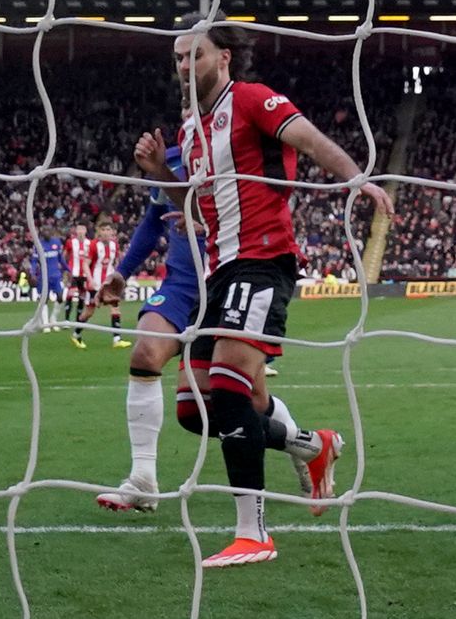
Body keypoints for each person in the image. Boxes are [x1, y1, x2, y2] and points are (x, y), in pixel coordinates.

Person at [134, 15, 390, 567]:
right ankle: (312, 445)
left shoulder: (251, 99)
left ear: (223, 57)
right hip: (216, 273)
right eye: (177, 58)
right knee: (192, 408)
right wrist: (161, 172)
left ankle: (253, 533)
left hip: (261, 261)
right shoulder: (191, 133)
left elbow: (309, 137)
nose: (184, 67)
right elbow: (193, 212)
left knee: (226, 389)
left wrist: (356, 177)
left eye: (194, 55)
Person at [95, 140, 331, 517]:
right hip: (182, 283)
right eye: (183, 99)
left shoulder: (235, 150)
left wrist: (209, 222)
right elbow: (152, 220)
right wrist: (122, 272)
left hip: (231, 281)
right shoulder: (169, 158)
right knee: (145, 354)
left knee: (247, 400)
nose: (189, 106)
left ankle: (304, 447)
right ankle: (143, 480)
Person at [72, 222, 130, 349]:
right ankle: (76, 334)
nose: (105, 232)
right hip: (95, 284)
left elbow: (115, 262)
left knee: (115, 308)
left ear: (112, 232)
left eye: (108, 229)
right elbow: (85, 264)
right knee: (88, 312)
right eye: (103, 229)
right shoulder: (94, 245)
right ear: (99, 232)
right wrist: (90, 279)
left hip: (108, 284)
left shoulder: (114, 245)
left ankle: (117, 339)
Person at [27, 226, 67, 330]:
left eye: (48, 230)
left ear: (52, 232)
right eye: (44, 230)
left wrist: (68, 269)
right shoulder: (38, 244)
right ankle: (45, 324)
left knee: (60, 296)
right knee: (44, 299)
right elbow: (34, 261)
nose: (46, 232)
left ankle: (53, 319)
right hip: (43, 277)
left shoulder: (56, 242)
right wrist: (33, 273)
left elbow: (61, 259)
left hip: (56, 275)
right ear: (41, 233)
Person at [63, 222, 93, 348]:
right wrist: (66, 270)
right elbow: (64, 255)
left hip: (84, 275)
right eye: (78, 230)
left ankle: (77, 320)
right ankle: (66, 320)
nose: (80, 232)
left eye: (82, 230)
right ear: (76, 231)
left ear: (85, 231)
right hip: (73, 273)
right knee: (70, 295)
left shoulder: (90, 243)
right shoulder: (71, 242)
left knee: (82, 297)